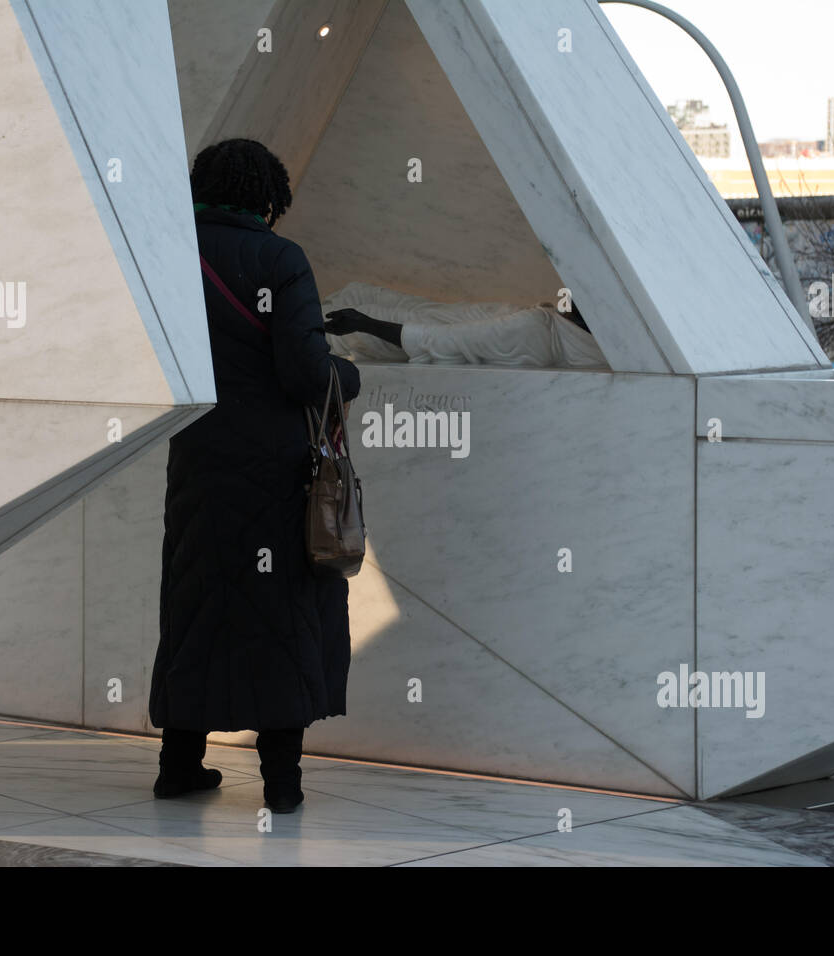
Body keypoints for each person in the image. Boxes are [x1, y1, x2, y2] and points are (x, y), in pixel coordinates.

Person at [149, 138, 361, 815]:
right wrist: (347, 374)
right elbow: (305, 373)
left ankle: (179, 766)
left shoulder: (167, 254)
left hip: (197, 460)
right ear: (267, 198)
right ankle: (281, 786)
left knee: (195, 605)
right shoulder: (279, 259)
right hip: (275, 471)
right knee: (281, 616)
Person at [320, 281, 608, 369]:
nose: (565, 289)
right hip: (430, 318)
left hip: (410, 332)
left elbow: (436, 342)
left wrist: (365, 324)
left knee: (345, 317)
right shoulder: (554, 329)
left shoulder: (535, 329)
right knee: (359, 294)